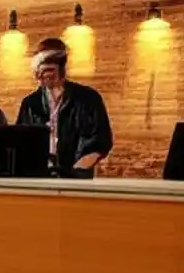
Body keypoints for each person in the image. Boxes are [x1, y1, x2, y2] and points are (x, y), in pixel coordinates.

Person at [15, 38, 113, 178]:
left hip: (77, 177)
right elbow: (21, 142)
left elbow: (101, 141)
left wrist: (77, 170)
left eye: (50, 70)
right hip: (39, 176)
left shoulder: (88, 99)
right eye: (40, 71)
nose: (45, 76)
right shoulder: (31, 104)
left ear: (62, 69)